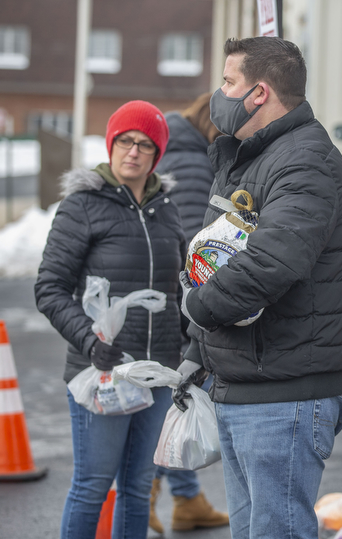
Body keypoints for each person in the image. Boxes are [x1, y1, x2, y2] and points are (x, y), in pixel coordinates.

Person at [175, 37, 342, 539]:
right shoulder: (249, 156)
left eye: (228, 82)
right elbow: (217, 255)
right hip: (245, 385)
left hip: (286, 396)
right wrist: (199, 351)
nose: (219, 93)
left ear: (258, 93)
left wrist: (197, 309)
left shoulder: (305, 161)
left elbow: (271, 262)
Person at [35, 100, 185, 539]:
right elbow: (49, 287)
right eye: (124, 141)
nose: (133, 152)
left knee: (138, 488)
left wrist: (190, 349)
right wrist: (89, 342)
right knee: (92, 486)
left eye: (144, 144)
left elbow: (178, 290)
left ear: (156, 155)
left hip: (157, 374)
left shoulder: (166, 209)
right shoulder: (82, 206)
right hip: (103, 371)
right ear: (110, 144)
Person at [148, 93, 228, 534]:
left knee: (176, 398)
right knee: (178, 396)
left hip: (162, 293)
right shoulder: (196, 161)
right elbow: (200, 239)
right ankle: (147, 493)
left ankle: (185, 499)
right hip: (181, 299)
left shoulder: (175, 148)